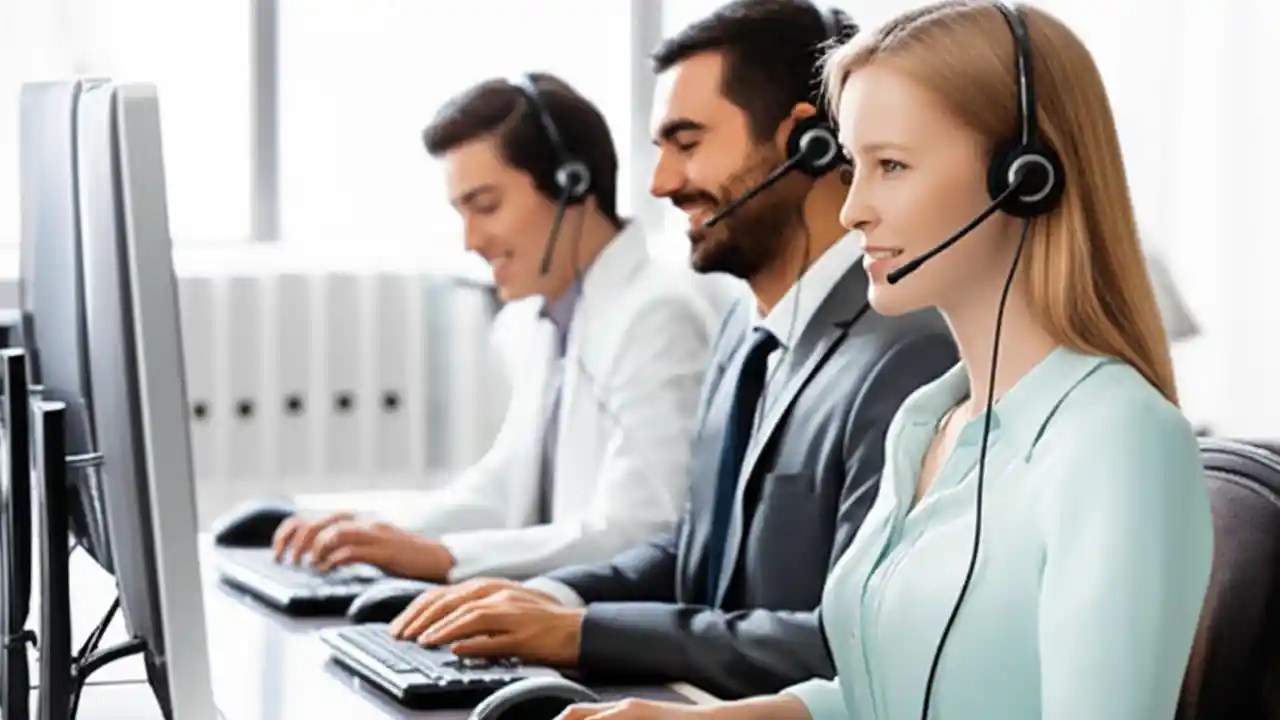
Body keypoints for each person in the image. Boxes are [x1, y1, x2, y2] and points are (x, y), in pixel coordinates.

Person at [555, 2, 1214, 718]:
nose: (851, 209)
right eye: (854, 165)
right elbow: (881, 694)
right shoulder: (928, 420)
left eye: (891, 166)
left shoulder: (1116, 440)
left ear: (1025, 177)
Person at [385, 0, 957, 699]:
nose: (659, 183)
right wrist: (554, 599)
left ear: (803, 145)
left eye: (687, 144)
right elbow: (690, 549)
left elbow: (848, 641)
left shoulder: (905, 356)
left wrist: (586, 633)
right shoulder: (746, 336)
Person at [270, 74, 721, 583]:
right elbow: (504, 486)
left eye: (485, 207)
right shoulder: (535, 321)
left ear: (573, 184)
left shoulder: (657, 315)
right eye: (462, 213)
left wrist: (442, 560)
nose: (471, 240)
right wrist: (373, 530)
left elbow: (640, 529)